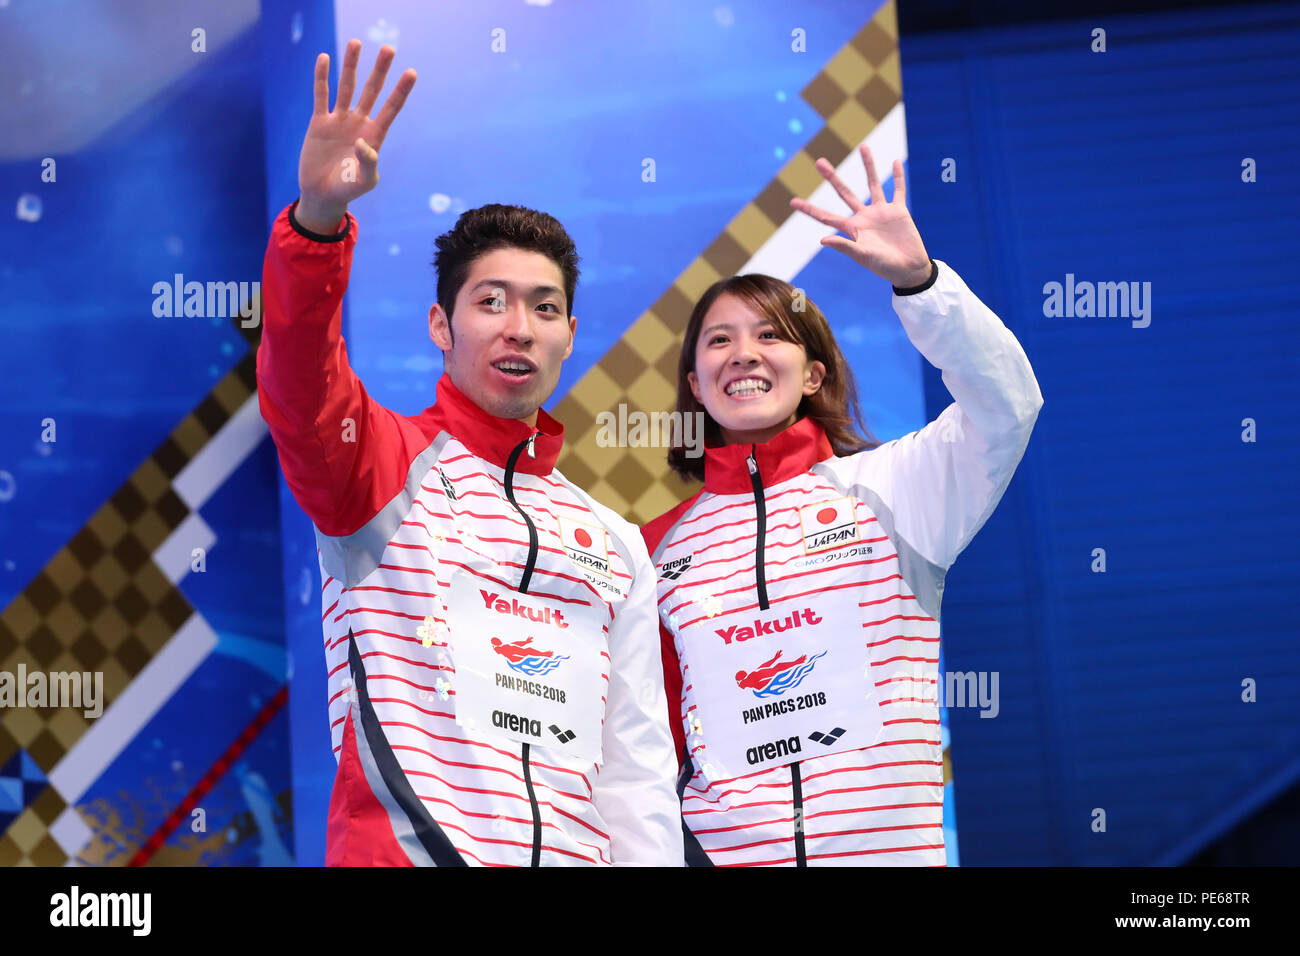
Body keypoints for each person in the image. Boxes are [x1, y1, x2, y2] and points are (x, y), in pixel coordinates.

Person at [258, 39, 682, 866]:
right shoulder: (377, 469)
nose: (519, 326)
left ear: (567, 338)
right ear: (441, 328)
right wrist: (316, 223)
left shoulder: (613, 542)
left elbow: (636, 772)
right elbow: (297, 379)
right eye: (491, 302)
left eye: (545, 308)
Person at [642, 145, 1044, 866]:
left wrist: (921, 285)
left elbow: (1008, 407)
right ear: (696, 386)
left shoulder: (895, 487)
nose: (744, 353)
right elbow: (645, 740)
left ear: (813, 373)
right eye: (719, 340)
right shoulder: (655, 548)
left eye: (770, 335)